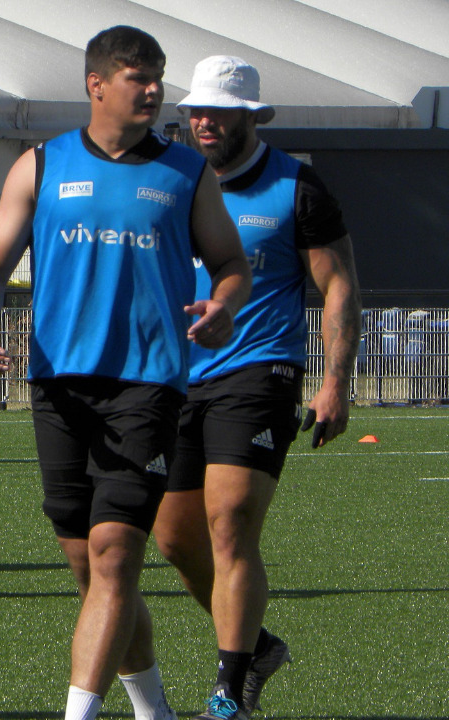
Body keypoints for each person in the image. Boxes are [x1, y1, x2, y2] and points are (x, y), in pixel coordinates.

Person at [0, 26, 252, 720]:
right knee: (90, 569)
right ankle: (154, 710)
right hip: (58, 384)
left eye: (157, 76)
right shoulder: (43, 163)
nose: (153, 89)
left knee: (117, 554)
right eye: (137, 77)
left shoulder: (187, 173)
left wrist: (222, 305)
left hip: (148, 383)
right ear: (96, 84)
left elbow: (233, 266)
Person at [154, 56, 361, 720]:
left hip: (261, 370)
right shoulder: (169, 181)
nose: (204, 123)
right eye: (196, 112)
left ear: (250, 116)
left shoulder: (298, 186)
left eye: (218, 112)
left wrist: (335, 383)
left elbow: (338, 287)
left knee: (231, 518)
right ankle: (257, 644)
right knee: (174, 539)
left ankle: (227, 687)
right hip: (173, 379)